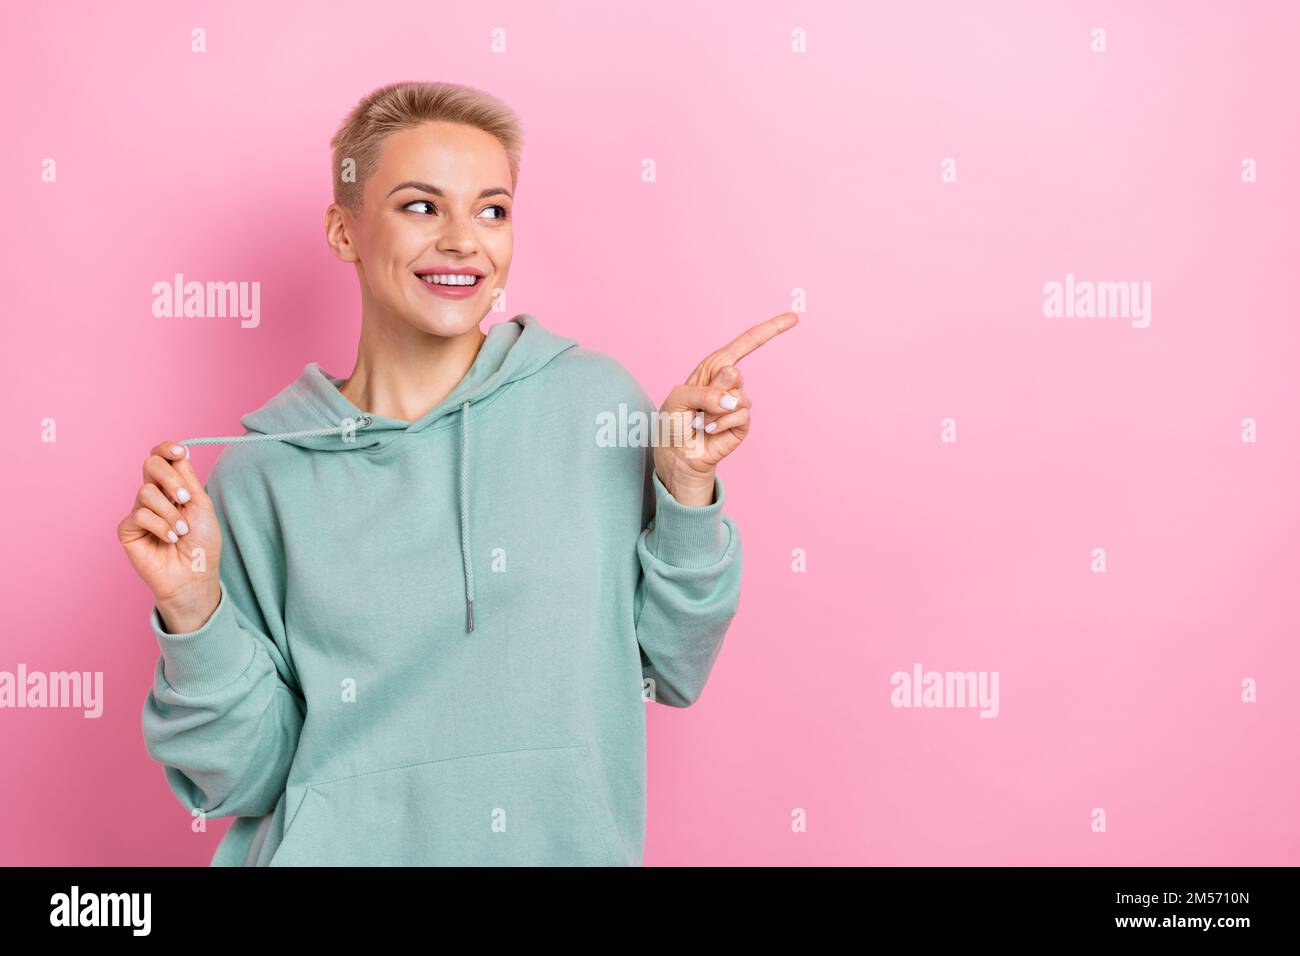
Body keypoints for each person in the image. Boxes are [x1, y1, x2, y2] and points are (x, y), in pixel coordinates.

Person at [117, 80, 797, 865]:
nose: (463, 240)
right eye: (419, 205)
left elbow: (674, 667)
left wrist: (682, 490)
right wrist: (194, 609)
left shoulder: (596, 407)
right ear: (345, 231)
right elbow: (244, 775)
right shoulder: (258, 478)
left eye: (492, 210)